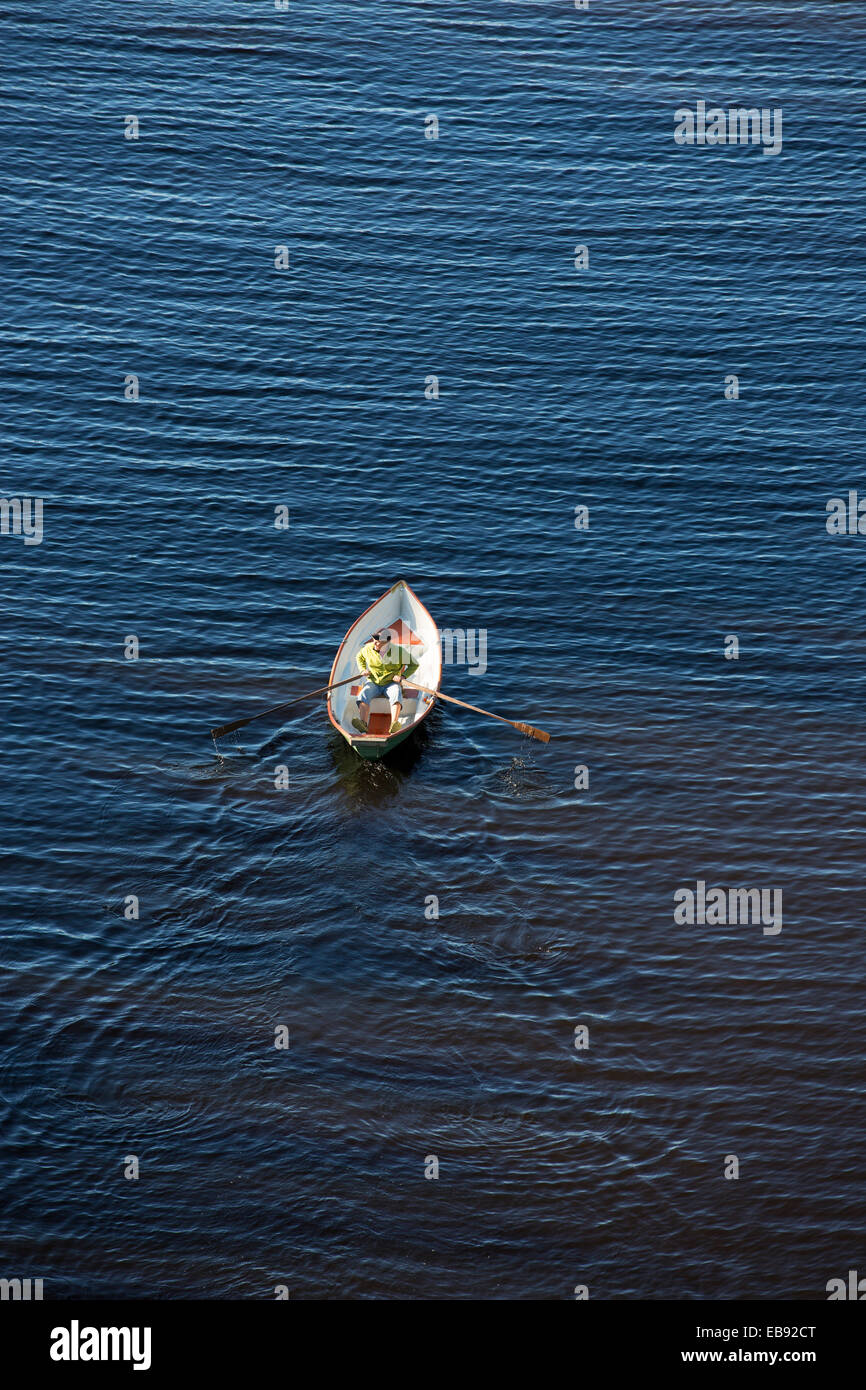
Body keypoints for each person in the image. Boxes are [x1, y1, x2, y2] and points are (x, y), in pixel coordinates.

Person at [352, 628, 419, 734]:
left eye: (378, 640)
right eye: (374, 639)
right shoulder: (368, 649)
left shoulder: (399, 651)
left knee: (396, 694)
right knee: (363, 694)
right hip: (373, 681)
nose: (375, 642)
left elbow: (414, 664)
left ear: (387, 642)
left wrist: (403, 676)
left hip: (391, 683)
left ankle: (394, 724)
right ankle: (363, 724)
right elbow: (359, 657)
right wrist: (363, 670)